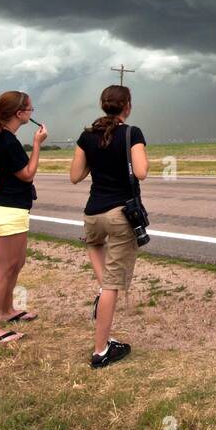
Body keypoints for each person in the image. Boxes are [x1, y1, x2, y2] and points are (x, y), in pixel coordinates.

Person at [69, 84, 148, 368]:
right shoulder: (132, 133)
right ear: (127, 105)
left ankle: (102, 300)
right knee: (113, 286)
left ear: (103, 105)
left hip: (93, 214)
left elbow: (75, 175)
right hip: (119, 214)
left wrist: (96, 158)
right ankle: (101, 351)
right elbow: (141, 172)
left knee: (99, 262)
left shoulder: (86, 136)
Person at [0, 90, 46, 347]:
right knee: (2, 271)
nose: (32, 113)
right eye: (30, 109)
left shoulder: (5, 138)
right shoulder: (8, 142)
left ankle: (7, 311)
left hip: (14, 210)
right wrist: (38, 144)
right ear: (20, 113)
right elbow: (28, 174)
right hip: (8, 211)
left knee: (16, 264)